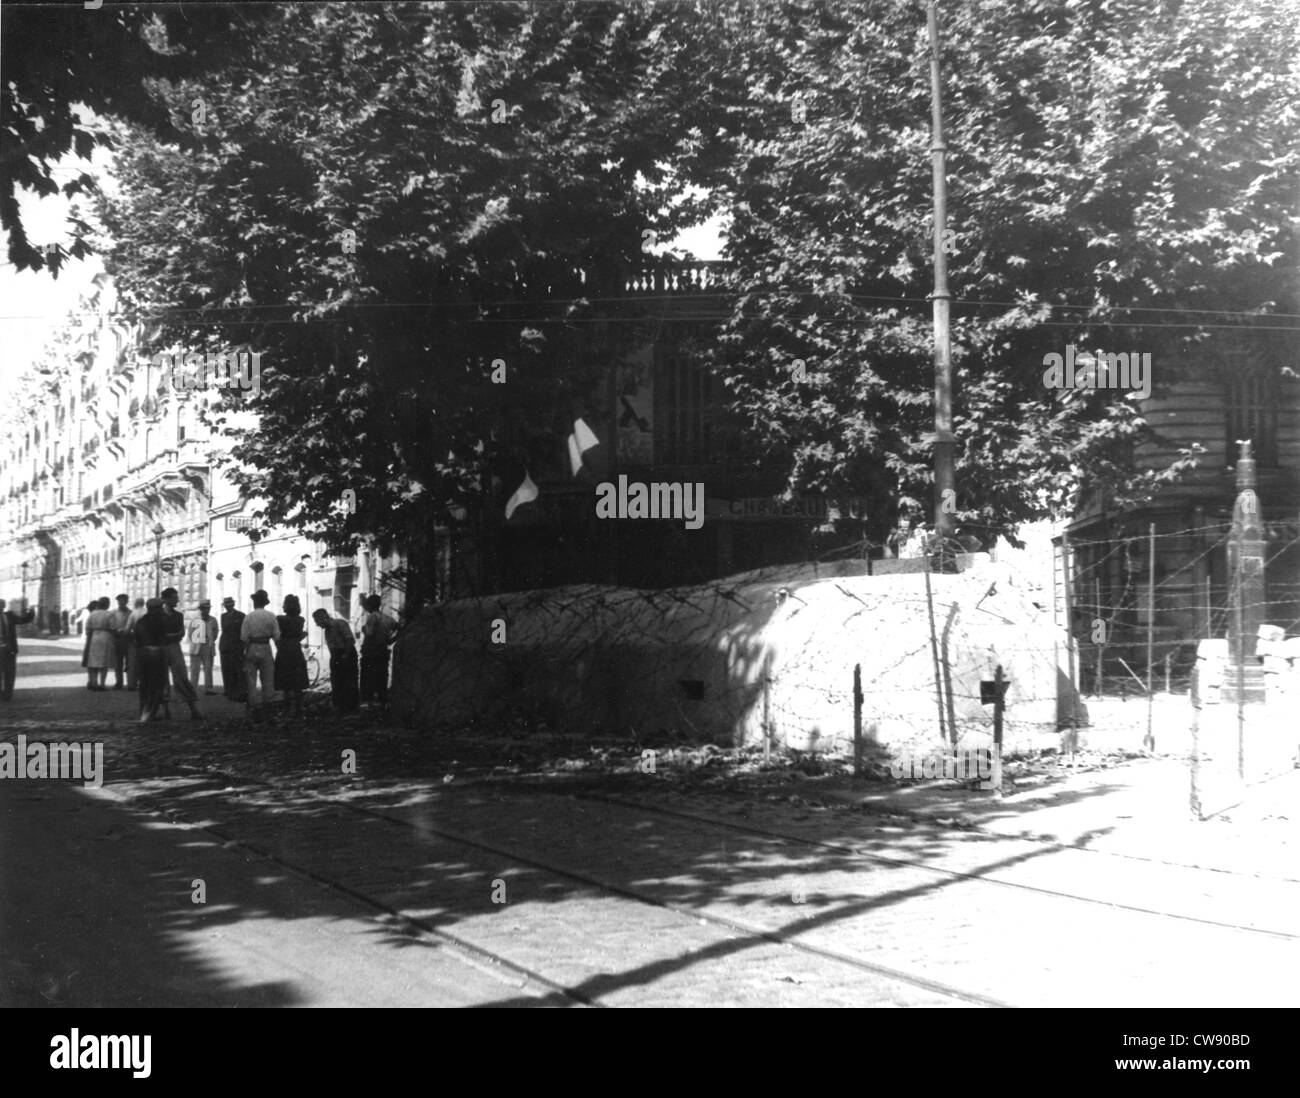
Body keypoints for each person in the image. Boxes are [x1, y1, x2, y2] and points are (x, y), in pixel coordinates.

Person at [159, 587, 204, 721]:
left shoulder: (179, 615)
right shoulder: (158, 615)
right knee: (162, 678)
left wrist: (169, 636)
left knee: (182, 676)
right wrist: (171, 635)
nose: (177, 600)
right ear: (165, 599)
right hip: (161, 649)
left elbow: (181, 633)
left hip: (174, 648)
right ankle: (166, 710)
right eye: (174, 598)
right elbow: (158, 634)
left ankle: (193, 710)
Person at [241, 589, 280, 720]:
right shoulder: (271, 616)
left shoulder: (249, 617)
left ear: (254, 603)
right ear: (265, 603)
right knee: (268, 679)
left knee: (250, 680)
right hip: (265, 648)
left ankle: (252, 709)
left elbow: (243, 637)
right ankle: (268, 709)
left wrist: (243, 653)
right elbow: (277, 636)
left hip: (251, 648)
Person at [313, 608, 359, 713]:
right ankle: (340, 707)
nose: (317, 625)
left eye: (317, 621)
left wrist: (346, 655)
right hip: (336, 656)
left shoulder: (340, 623)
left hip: (347, 654)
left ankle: (352, 708)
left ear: (324, 618)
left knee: (350, 681)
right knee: (337, 682)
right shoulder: (327, 631)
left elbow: (349, 640)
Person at [134, 597, 171, 722]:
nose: (162, 610)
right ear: (155, 609)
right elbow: (165, 637)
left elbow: (137, 639)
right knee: (156, 684)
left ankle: (143, 711)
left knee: (144, 683)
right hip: (157, 653)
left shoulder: (141, 621)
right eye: (160, 607)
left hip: (143, 653)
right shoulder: (161, 620)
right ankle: (150, 713)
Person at [359, 594, 398, 711]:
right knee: (382, 677)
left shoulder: (372, 617)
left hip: (371, 652)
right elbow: (398, 627)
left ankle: (368, 702)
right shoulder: (387, 618)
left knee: (368, 678)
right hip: (382, 651)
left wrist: (363, 629)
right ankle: (382, 702)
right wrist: (390, 640)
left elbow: (369, 633)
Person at [274, 594, 310, 718]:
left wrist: (279, 646)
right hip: (295, 649)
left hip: (284, 650)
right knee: (297, 682)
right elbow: (300, 634)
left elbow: (277, 636)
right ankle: (299, 708)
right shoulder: (301, 620)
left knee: (286, 684)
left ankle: (287, 709)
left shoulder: (280, 619)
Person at [0, 597, 37, 701]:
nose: (0, 607)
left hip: (10, 649)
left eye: (2, 605)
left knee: (10, 672)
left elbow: (24, 620)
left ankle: (7, 695)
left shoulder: (10, 616)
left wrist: (31, 611)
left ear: (4, 606)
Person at [187, 600, 219, 694]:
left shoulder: (213, 620)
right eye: (204, 609)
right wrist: (196, 640)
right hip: (196, 645)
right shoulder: (195, 620)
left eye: (207, 608)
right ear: (200, 610)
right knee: (194, 668)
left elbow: (215, 633)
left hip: (207, 645)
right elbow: (190, 633)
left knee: (208, 667)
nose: (206, 611)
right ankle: (193, 688)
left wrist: (209, 640)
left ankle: (208, 688)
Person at [218, 596, 247, 702]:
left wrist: (242, 645)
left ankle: (239, 692)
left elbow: (243, 631)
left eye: (230, 604)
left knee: (238, 669)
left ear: (233, 604)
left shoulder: (241, 615)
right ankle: (228, 690)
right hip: (225, 645)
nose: (228, 606)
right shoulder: (223, 616)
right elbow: (225, 630)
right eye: (226, 604)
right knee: (226, 668)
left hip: (237, 645)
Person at [84, 597, 115, 691]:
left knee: (93, 661)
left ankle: (94, 683)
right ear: (107, 604)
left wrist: (90, 634)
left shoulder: (93, 614)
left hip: (94, 637)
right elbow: (113, 626)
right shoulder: (109, 614)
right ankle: (102, 684)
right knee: (104, 662)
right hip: (105, 636)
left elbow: (87, 627)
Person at [109, 593, 133, 690]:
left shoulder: (130, 613)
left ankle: (130, 682)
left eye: (124, 600)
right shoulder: (113, 613)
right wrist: (116, 631)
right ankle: (119, 683)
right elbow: (111, 625)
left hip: (128, 639)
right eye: (120, 600)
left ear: (127, 601)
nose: (122, 602)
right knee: (118, 663)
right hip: (117, 639)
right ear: (118, 601)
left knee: (129, 662)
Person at [124, 597, 147, 690]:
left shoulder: (133, 614)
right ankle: (144, 683)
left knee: (132, 662)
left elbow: (127, 629)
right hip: (146, 641)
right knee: (145, 663)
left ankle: (132, 684)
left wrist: (126, 634)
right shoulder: (147, 613)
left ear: (136, 604)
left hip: (134, 640)